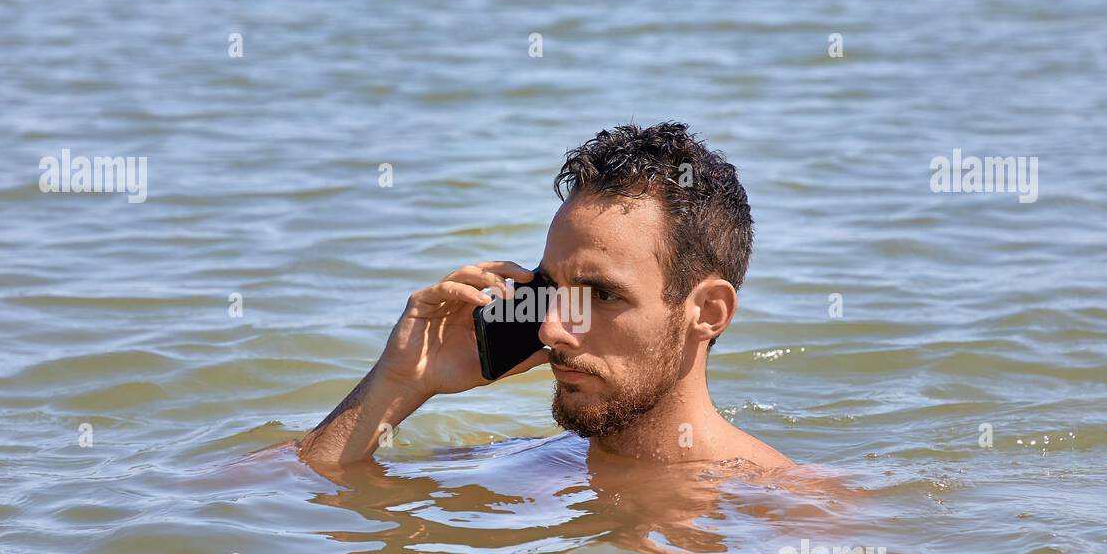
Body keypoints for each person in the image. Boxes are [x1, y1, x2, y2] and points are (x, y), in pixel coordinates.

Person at [297, 122, 793, 474]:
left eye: (601, 294)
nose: (552, 327)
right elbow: (277, 494)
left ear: (708, 312)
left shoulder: (777, 511)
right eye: (551, 289)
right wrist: (399, 383)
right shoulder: (528, 465)